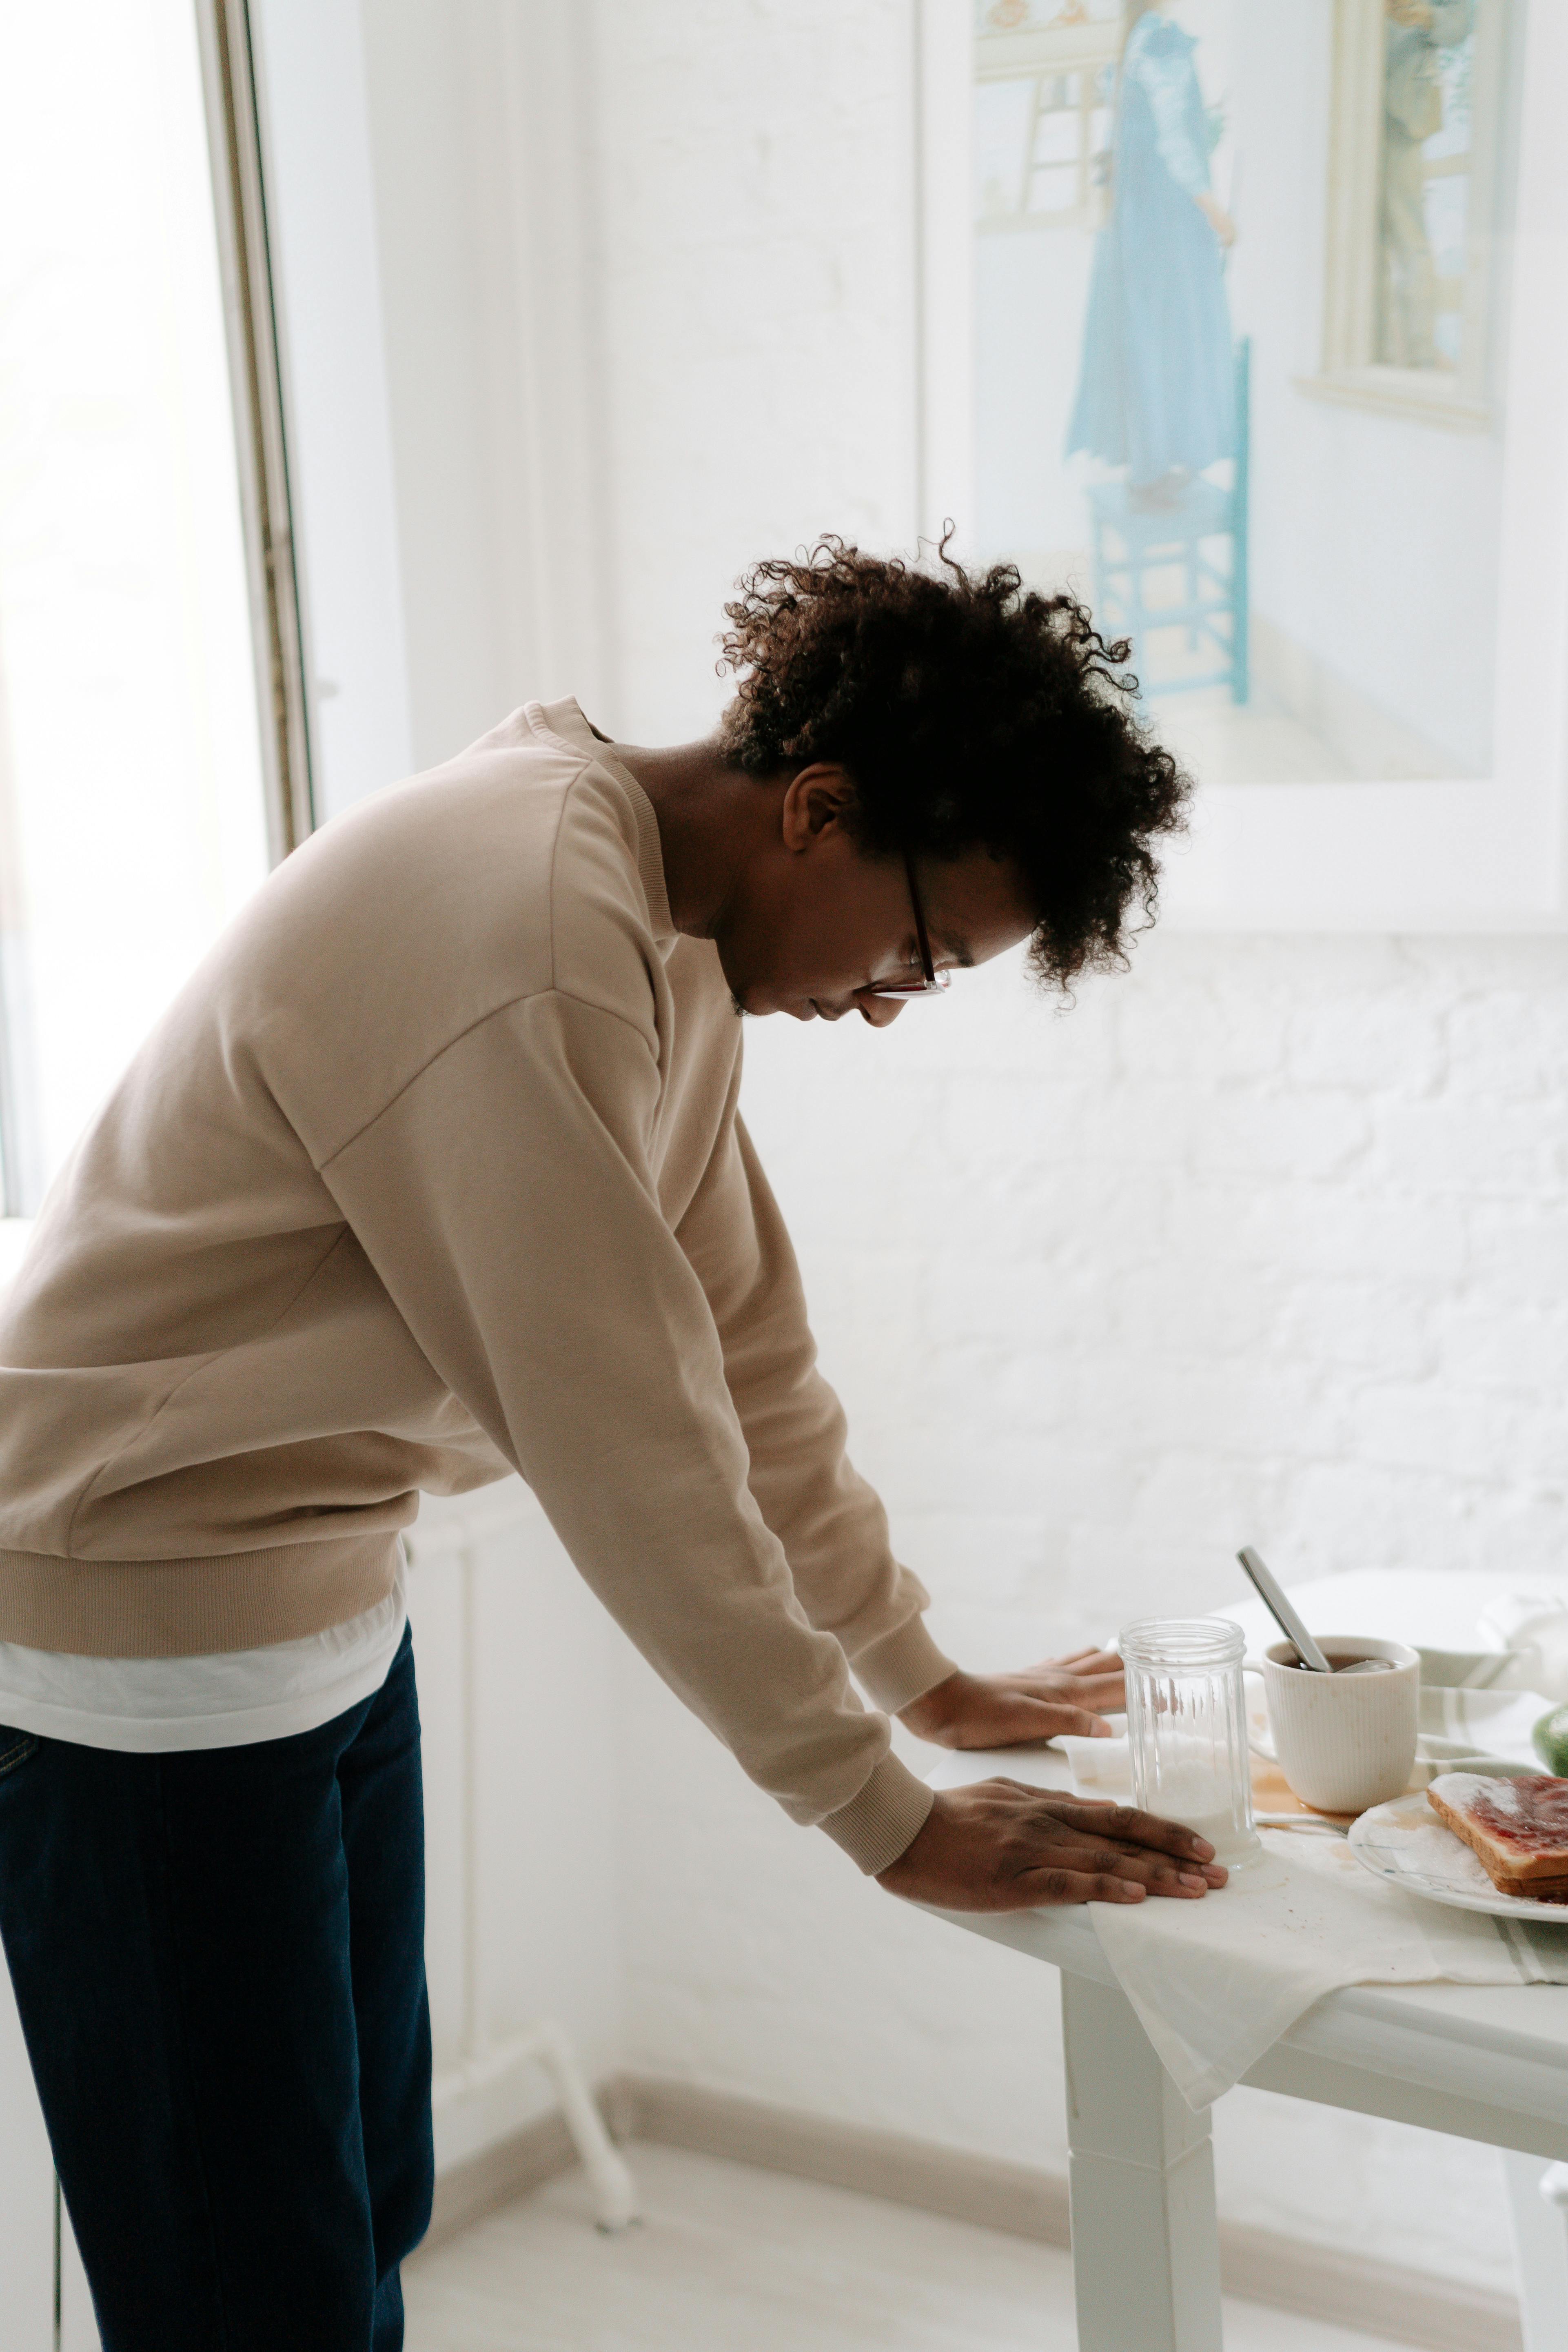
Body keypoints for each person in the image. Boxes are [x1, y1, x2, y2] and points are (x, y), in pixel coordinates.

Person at [0, 541, 1223, 2350]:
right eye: (915, 950)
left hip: (317, 1610)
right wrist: (882, 1817)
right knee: (249, 2294)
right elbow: (627, 1435)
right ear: (818, 807)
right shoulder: (527, 935)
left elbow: (742, 1348)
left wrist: (920, 1675)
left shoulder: (656, 929)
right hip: (140, 1639)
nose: (886, 1002)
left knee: (354, 2230)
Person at [1066, 0, 1235, 504]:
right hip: (1165, 224)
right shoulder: (1160, 38)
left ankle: (1152, 466)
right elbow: (1176, 142)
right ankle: (1154, 471)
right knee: (1166, 338)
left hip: (1135, 224)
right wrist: (1215, 211)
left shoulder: (1133, 40)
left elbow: (1119, 148)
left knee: (1145, 339)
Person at [1378, 0, 1475, 368]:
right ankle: (1383, 349)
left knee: (1409, 239)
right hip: (1351, 107)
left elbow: (1460, 25)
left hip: (1404, 114)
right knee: (1361, 243)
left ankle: (1420, 353)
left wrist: (1425, 15)